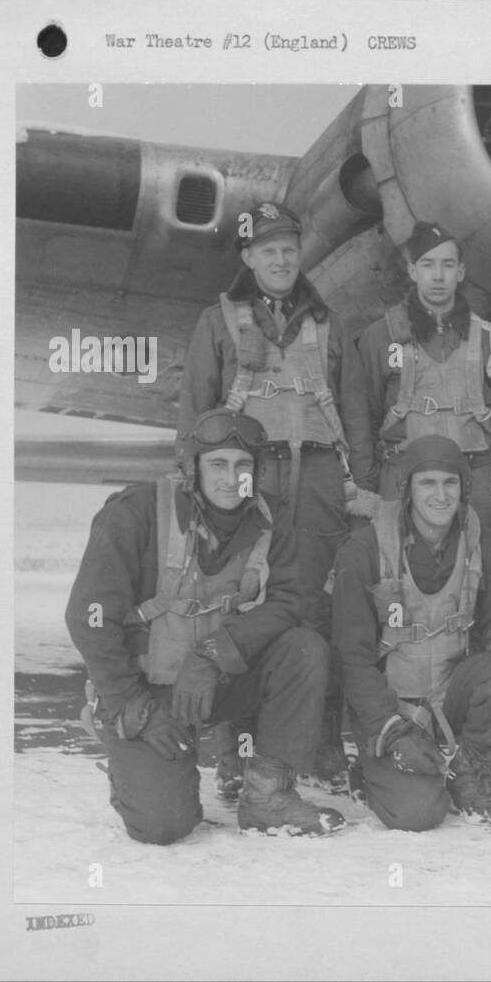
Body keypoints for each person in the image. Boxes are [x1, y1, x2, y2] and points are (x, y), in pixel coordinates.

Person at [65, 409, 343, 843]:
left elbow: (291, 601)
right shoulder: (136, 512)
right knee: (164, 825)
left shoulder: (272, 521)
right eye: (217, 464)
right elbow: (88, 617)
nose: (232, 479)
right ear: (193, 467)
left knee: (303, 647)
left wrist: (215, 654)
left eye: (244, 466)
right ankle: (132, 761)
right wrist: (131, 705)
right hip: (150, 691)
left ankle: (267, 797)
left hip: (215, 681)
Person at [177, 200, 361, 791]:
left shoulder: (330, 323)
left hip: (321, 480)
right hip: (246, 480)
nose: (281, 260)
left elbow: (355, 412)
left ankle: (323, 739)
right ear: (249, 257)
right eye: (269, 251)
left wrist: (366, 488)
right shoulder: (218, 321)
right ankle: (238, 746)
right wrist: (195, 489)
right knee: (244, 599)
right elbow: (196, 413)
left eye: (289, 249)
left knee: (321, 603)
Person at [332, 435, 491, 830]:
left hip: (452, 692)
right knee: (419, 814)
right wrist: (388, 729)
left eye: (451, 483)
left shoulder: (481, 541)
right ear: (407, 489)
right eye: (427, 483)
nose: (441, 495)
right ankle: (375, 767)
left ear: (464, 489)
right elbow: (351, 658)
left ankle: (471, 767)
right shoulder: (363, 550)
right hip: (392, 704)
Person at [343, 221, 491, 545]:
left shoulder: (489, 338)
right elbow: (364, 420)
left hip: (476, 476)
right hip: (403, 476)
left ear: (460, 272)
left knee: (483, 578)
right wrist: (365, 491)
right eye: (428, 265)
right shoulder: (380, 338)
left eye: (447, 265)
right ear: (412, 270)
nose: (438, 276)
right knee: (403, 579)